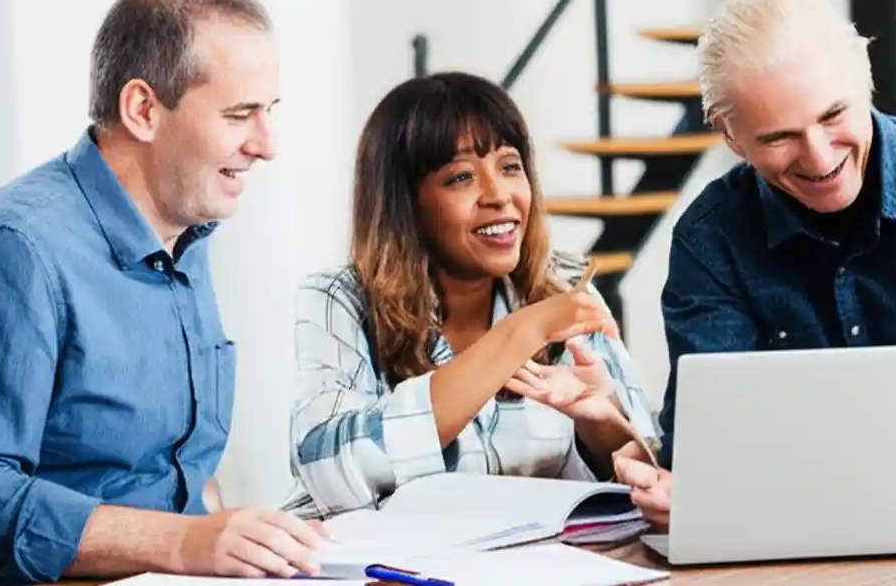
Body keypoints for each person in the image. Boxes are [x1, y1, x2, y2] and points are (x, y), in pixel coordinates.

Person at [0, 0, 327, 582]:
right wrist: (184, 543)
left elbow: (168, 477)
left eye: (270, 112)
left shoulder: (186, 235)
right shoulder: (12, 249)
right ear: (142, 110)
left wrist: (246, 543)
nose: (267, 145)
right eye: (240, 115)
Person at [613, 0, 896, 529]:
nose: (818, 157)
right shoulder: (710, 240)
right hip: (798, 533)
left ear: (864, 82)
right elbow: (708, 448)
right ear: (730, 136)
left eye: (833, 114)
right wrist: (687, 492)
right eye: (777, 138)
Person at [281, 71, 658, 518]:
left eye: (510, 166)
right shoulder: (340, 298)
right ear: (406, 204)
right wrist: (517, 334)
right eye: (461, 177)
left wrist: (600, 421)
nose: (499, 195)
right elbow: (326, 471)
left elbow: (651, 479)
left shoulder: (565, 287)